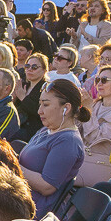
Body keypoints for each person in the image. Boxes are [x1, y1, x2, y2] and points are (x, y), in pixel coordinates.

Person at [17, 78, 87, 214]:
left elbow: (47, 187)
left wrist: (12, 164)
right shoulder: (46, 129)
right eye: (40, 104)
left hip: (33, 211)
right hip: (18, 198)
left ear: (66, 108)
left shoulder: (68, 141)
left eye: (46, 105)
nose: (39, 111)